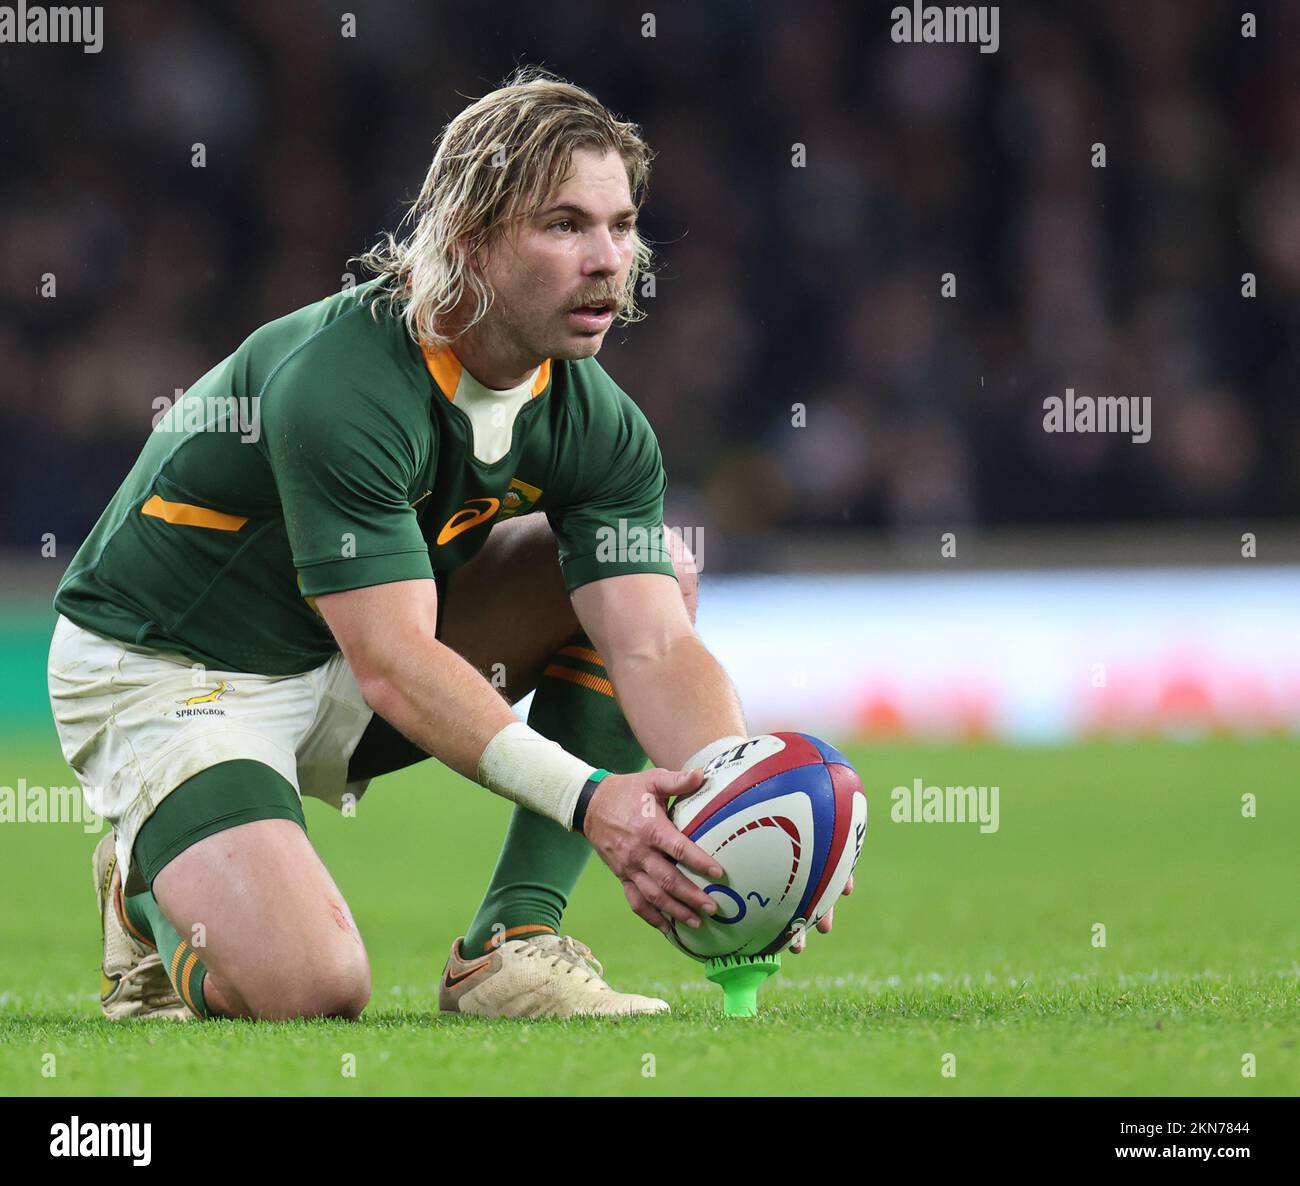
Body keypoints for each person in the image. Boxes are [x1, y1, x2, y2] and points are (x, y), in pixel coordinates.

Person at [48, 67, 848, 1022]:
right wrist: (598, 802)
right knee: (313, 990)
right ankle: (144, 904)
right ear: (471, 238)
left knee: (655, 575)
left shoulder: (602, 424)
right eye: (564, 225)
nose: (607, 259)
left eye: (621, 225)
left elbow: (654, 645)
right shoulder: (343, 383)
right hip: (173, 671)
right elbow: (393, 665)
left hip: (341, 656)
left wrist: (738, 820)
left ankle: (512, 943)